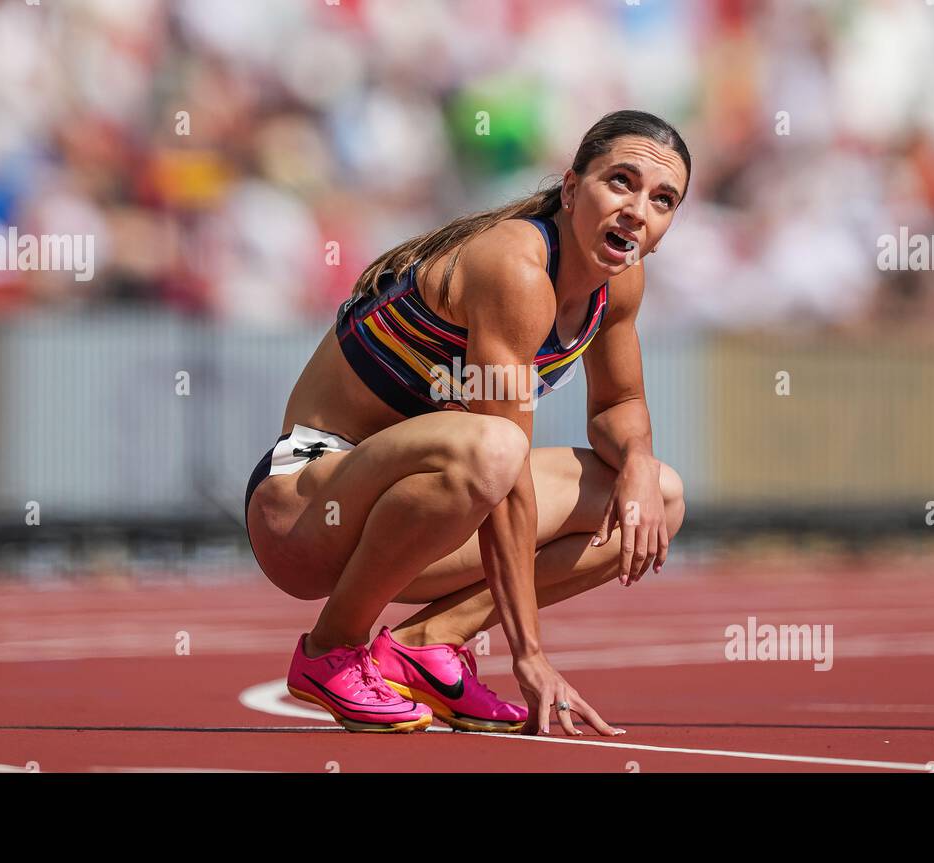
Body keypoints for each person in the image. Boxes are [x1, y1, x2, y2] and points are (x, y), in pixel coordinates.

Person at [245, 109, 689, 735]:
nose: (638, 210)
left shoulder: (620, 282)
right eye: (621, 182)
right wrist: (529, 655)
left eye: (663, 199)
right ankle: (330, 650)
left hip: (417, 515)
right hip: (303, 511)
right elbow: (502, 477)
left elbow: (618, 406)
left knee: (660, 500)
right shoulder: (514, 268)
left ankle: (425, 647)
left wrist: (638, 463)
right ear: (570, 188)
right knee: (496, 447)